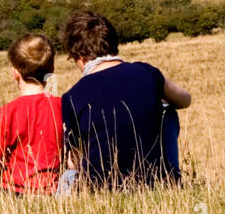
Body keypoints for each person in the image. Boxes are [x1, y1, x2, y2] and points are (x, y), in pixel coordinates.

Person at [59, 11, 191, 189]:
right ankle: (171, 178)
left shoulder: (73, 96)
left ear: (79, 56)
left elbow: (73, 161)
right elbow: (185, 100)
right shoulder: (146, 72)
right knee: (168, 112)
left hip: (102, 187)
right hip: (154, 181)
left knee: (68, 176)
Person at [0, 34, 63, 195]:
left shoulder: (5, 113)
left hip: (14, 193)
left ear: (15, 72)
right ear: (51, 71)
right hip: (54, 191)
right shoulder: (62, 106)